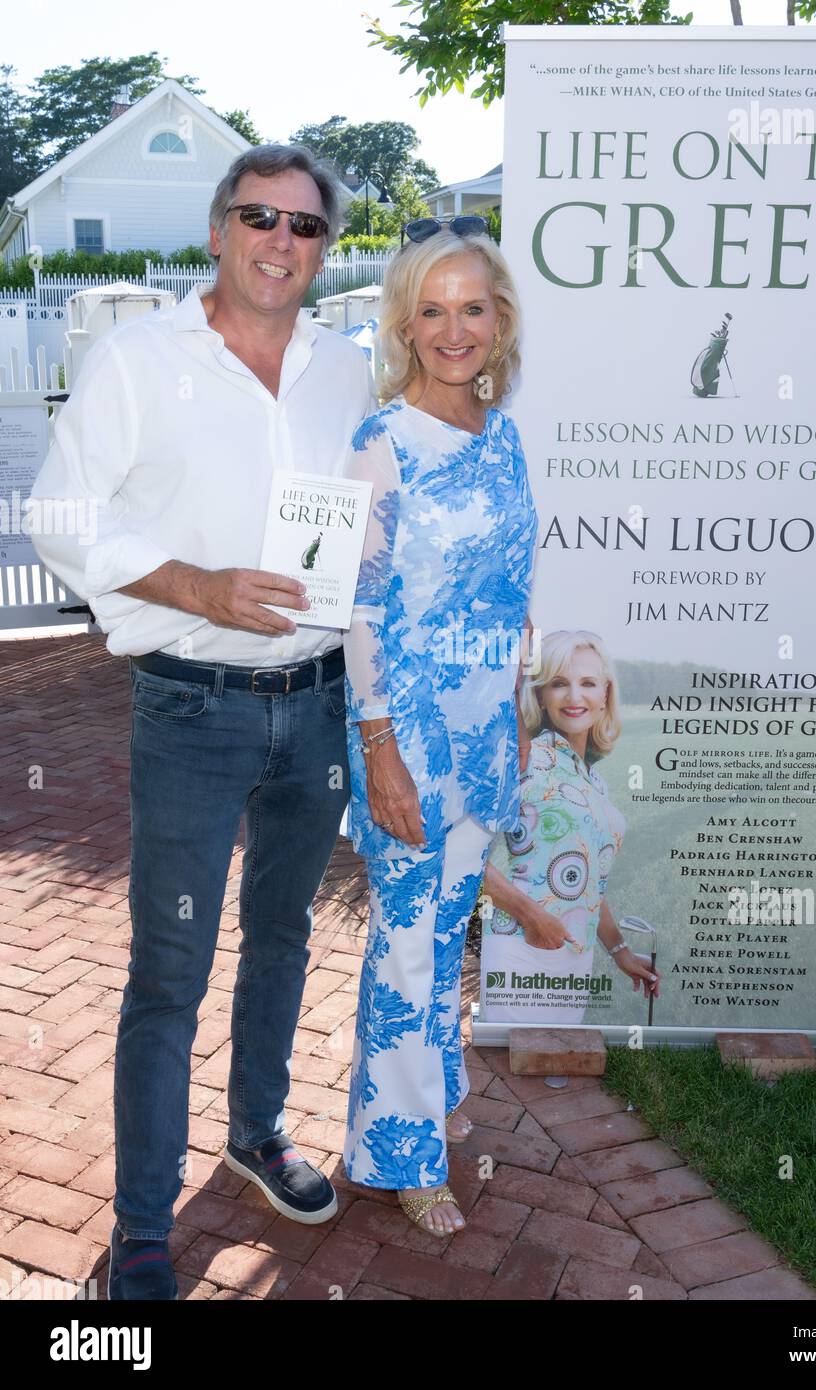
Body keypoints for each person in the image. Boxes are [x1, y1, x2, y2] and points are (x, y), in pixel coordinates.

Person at [27, 145, 375, 1300]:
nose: (281, 241)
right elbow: (61, 513)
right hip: (192, 704)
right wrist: (198, 585)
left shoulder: (345, 369)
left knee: (283, 940)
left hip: (315, 706)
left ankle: (257, 1129)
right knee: (169, 968)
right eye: (258, 217)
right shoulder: (138, 359)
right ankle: (138, 1227)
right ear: (219, 230)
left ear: (325, 248)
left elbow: (363, 517)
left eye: (304, 226)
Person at [340, 216, 538, 1237]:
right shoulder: (381, 443)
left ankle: (421, 1103)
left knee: (443, 937)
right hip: (406, 735)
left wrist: (514, 703)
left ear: (496, 320)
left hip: (482, 730)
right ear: (404, 326)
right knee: (406, 947)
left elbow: (510, 590)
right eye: (431, 310)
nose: (453, 330)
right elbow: (360, 606)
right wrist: (380, 752)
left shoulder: (499, 434)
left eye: (471, 308)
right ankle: (402, 1159)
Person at [482, 631, 659, 1024]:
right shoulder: (526, 759)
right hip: (520, 950)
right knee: (518, 1076)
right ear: (541, 695)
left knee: (557, 1076)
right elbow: (464, 858)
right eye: (559, 683)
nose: (574, 696)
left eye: (588, 683)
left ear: (605, 694)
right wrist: (531, 917)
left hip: (576, 959)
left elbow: (590, 884)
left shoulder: (595, 782)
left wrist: (620, 952)